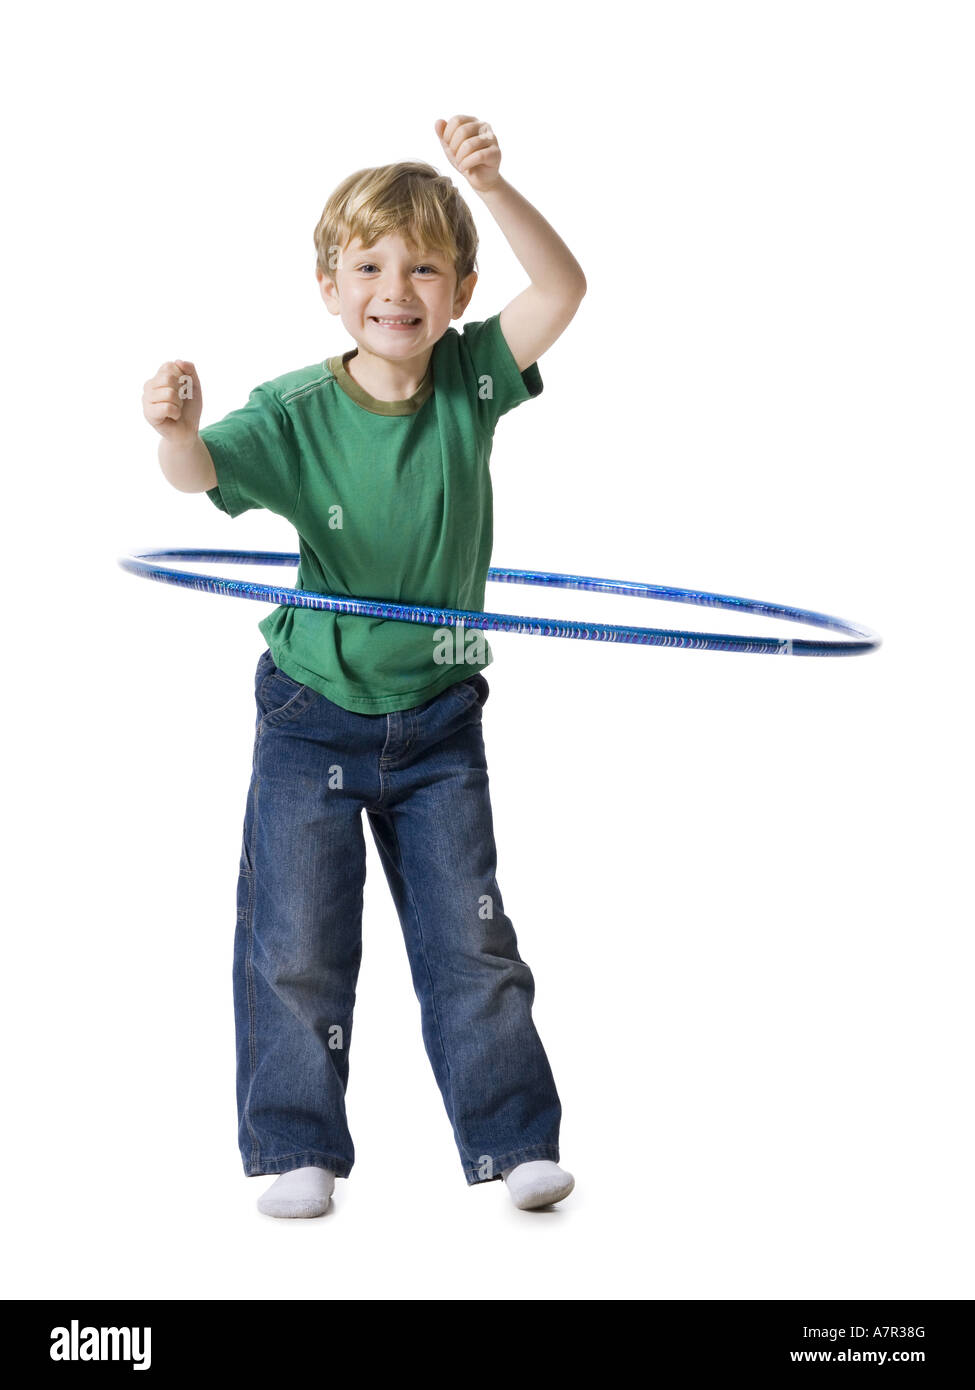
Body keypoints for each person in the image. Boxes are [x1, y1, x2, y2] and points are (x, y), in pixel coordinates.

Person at [142, 115, 587, 1218]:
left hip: (439, 714)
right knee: (295, 939)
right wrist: (173, 428)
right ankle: (295, 1146)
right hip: (312, 712)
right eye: (371, 266)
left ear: (462, 284)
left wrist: (495, 182)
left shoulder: (475, 378)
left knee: (472, 940)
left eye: (426, 265)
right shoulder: (294, 413)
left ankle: (514, 1140)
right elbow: (197, 474)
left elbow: (566, 290)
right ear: (331, 288)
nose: (399, 287)